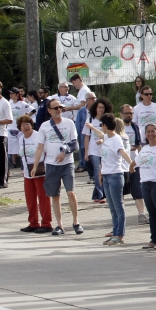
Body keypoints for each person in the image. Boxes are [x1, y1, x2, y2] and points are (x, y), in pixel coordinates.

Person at [31, 99, 83, 236]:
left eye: (60, 107)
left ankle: (76, 222)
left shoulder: (69, 123)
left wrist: (64, 151)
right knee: (54, 196)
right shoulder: (44, 126)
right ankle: (59, 225)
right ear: (49, 111)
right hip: (51, 164)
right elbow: (40, 147)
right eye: (55, 108)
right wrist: (35, 166)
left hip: (67, 163)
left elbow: (75, 144)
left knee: (71, 192)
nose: (58, 110)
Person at [88, 113, 136, 246]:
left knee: (118, 206)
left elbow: (123, 153)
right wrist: (101, 174)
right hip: (106, 175)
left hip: (116, 175)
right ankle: (115, 233)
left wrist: (132, 164)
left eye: (101, 125)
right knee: (112, 208)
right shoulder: (106, 138)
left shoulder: (116, 139)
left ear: (105, 125)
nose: (101, 128)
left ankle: (120, 235)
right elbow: (103, 154)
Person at [18, 115, 52, 233]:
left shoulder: (38, 136)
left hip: (40, 171)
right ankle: (33, 223)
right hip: (28, 172)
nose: (26, 127)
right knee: (30, 199)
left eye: (27, 124)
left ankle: (46, 223)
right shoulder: (21, 139)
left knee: (43, 198)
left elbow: (47, 151)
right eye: (23, 125)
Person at [120, 104, 147, 224]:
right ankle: (121, 216)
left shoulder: (136, 127)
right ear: (121, 114)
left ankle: (141, 214)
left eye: (131, 113)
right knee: (121, 192)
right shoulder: (118, 128)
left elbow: (140, 145)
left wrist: (142, 159)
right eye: (126, 113)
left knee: (138, 191)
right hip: (121, 166)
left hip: (135, 164)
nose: (129, 115)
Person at [84, 97, 113, 203]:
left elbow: (110, 134)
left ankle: (100, 193)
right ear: (95, 108)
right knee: (98, 170)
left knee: (105, 171)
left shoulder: (108, 120)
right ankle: (100, 195)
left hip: (105, 150)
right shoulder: (90, 120)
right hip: (94, 150)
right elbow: (86, 137)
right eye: (99, 107)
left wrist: (103, 140)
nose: (101, 110)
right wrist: (86, 152)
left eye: (103, 108)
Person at [8, 88, 33, 171]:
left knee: (22, 148)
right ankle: (10, 166)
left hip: (19, 129)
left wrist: (26, 117)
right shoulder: (9, 103)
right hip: (10, 128)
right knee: (10, 150)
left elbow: (33, 110)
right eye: (10, 94)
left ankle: (23, 168)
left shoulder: (22, 103)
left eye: (12, 93)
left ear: (17, 94)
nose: (10, 95)